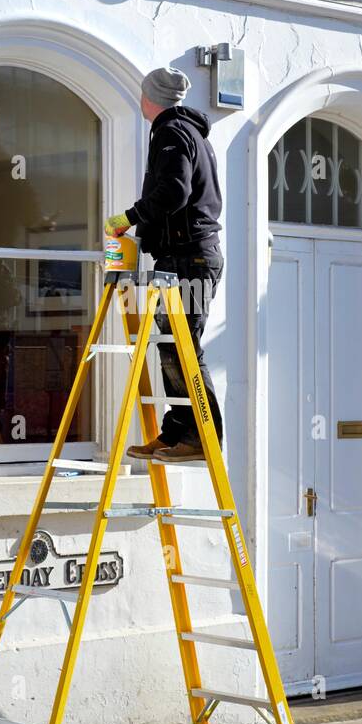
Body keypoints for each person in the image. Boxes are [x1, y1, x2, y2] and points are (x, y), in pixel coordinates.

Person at [104, 66, 223, 462]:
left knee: (183, 345)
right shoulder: (184, 132)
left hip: (191, 258)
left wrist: (127, 218)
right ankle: (178, 431)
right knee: (173, 347)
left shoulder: (172, 132)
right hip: (184, 256)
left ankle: (202, 437)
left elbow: (172, 193)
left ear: (148, 96)